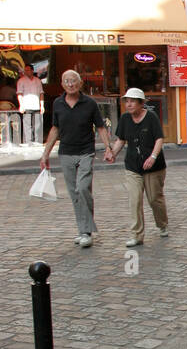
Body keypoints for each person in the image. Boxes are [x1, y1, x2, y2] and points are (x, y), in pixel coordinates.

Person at [41, 70, 114, 247]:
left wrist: (108, 148)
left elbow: (101, 127)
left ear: (80, 83)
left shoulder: (89, 103)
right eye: (67, 81)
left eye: (73, 81)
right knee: (74, 193)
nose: (70, 84)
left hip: (85, 152)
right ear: (62, 84)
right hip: (66, 153)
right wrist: (45, 154)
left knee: (83, 189)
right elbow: (55, 129)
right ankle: (82, 230)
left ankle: (87, 232)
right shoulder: (58, 103)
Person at [106, 87, 168, 246]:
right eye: (127, 101)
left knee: (155, 199)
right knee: (135, 200)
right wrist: (113, 153)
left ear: (141, 103)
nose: (129, 104)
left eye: (132, 101)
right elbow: (121, 139)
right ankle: (136, 235)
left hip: (154, 166)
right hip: (133, 165)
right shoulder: (125, 119)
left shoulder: (151, 117)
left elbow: (159, 139)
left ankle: (162, 224)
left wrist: (153, 157)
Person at [17, 63, 44, 144]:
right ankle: (28, 142)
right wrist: (21, 105)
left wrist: (42, 105)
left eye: (28, 70)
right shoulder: (21, 81)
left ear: (32, 71)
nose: (26, 72)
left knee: (37, 125)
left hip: (36, 106)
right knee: (27, 125)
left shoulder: (38, 80)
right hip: (27, 106)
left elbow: (41, 93)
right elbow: (19, 93)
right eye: (25, 70)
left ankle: (36, 141)